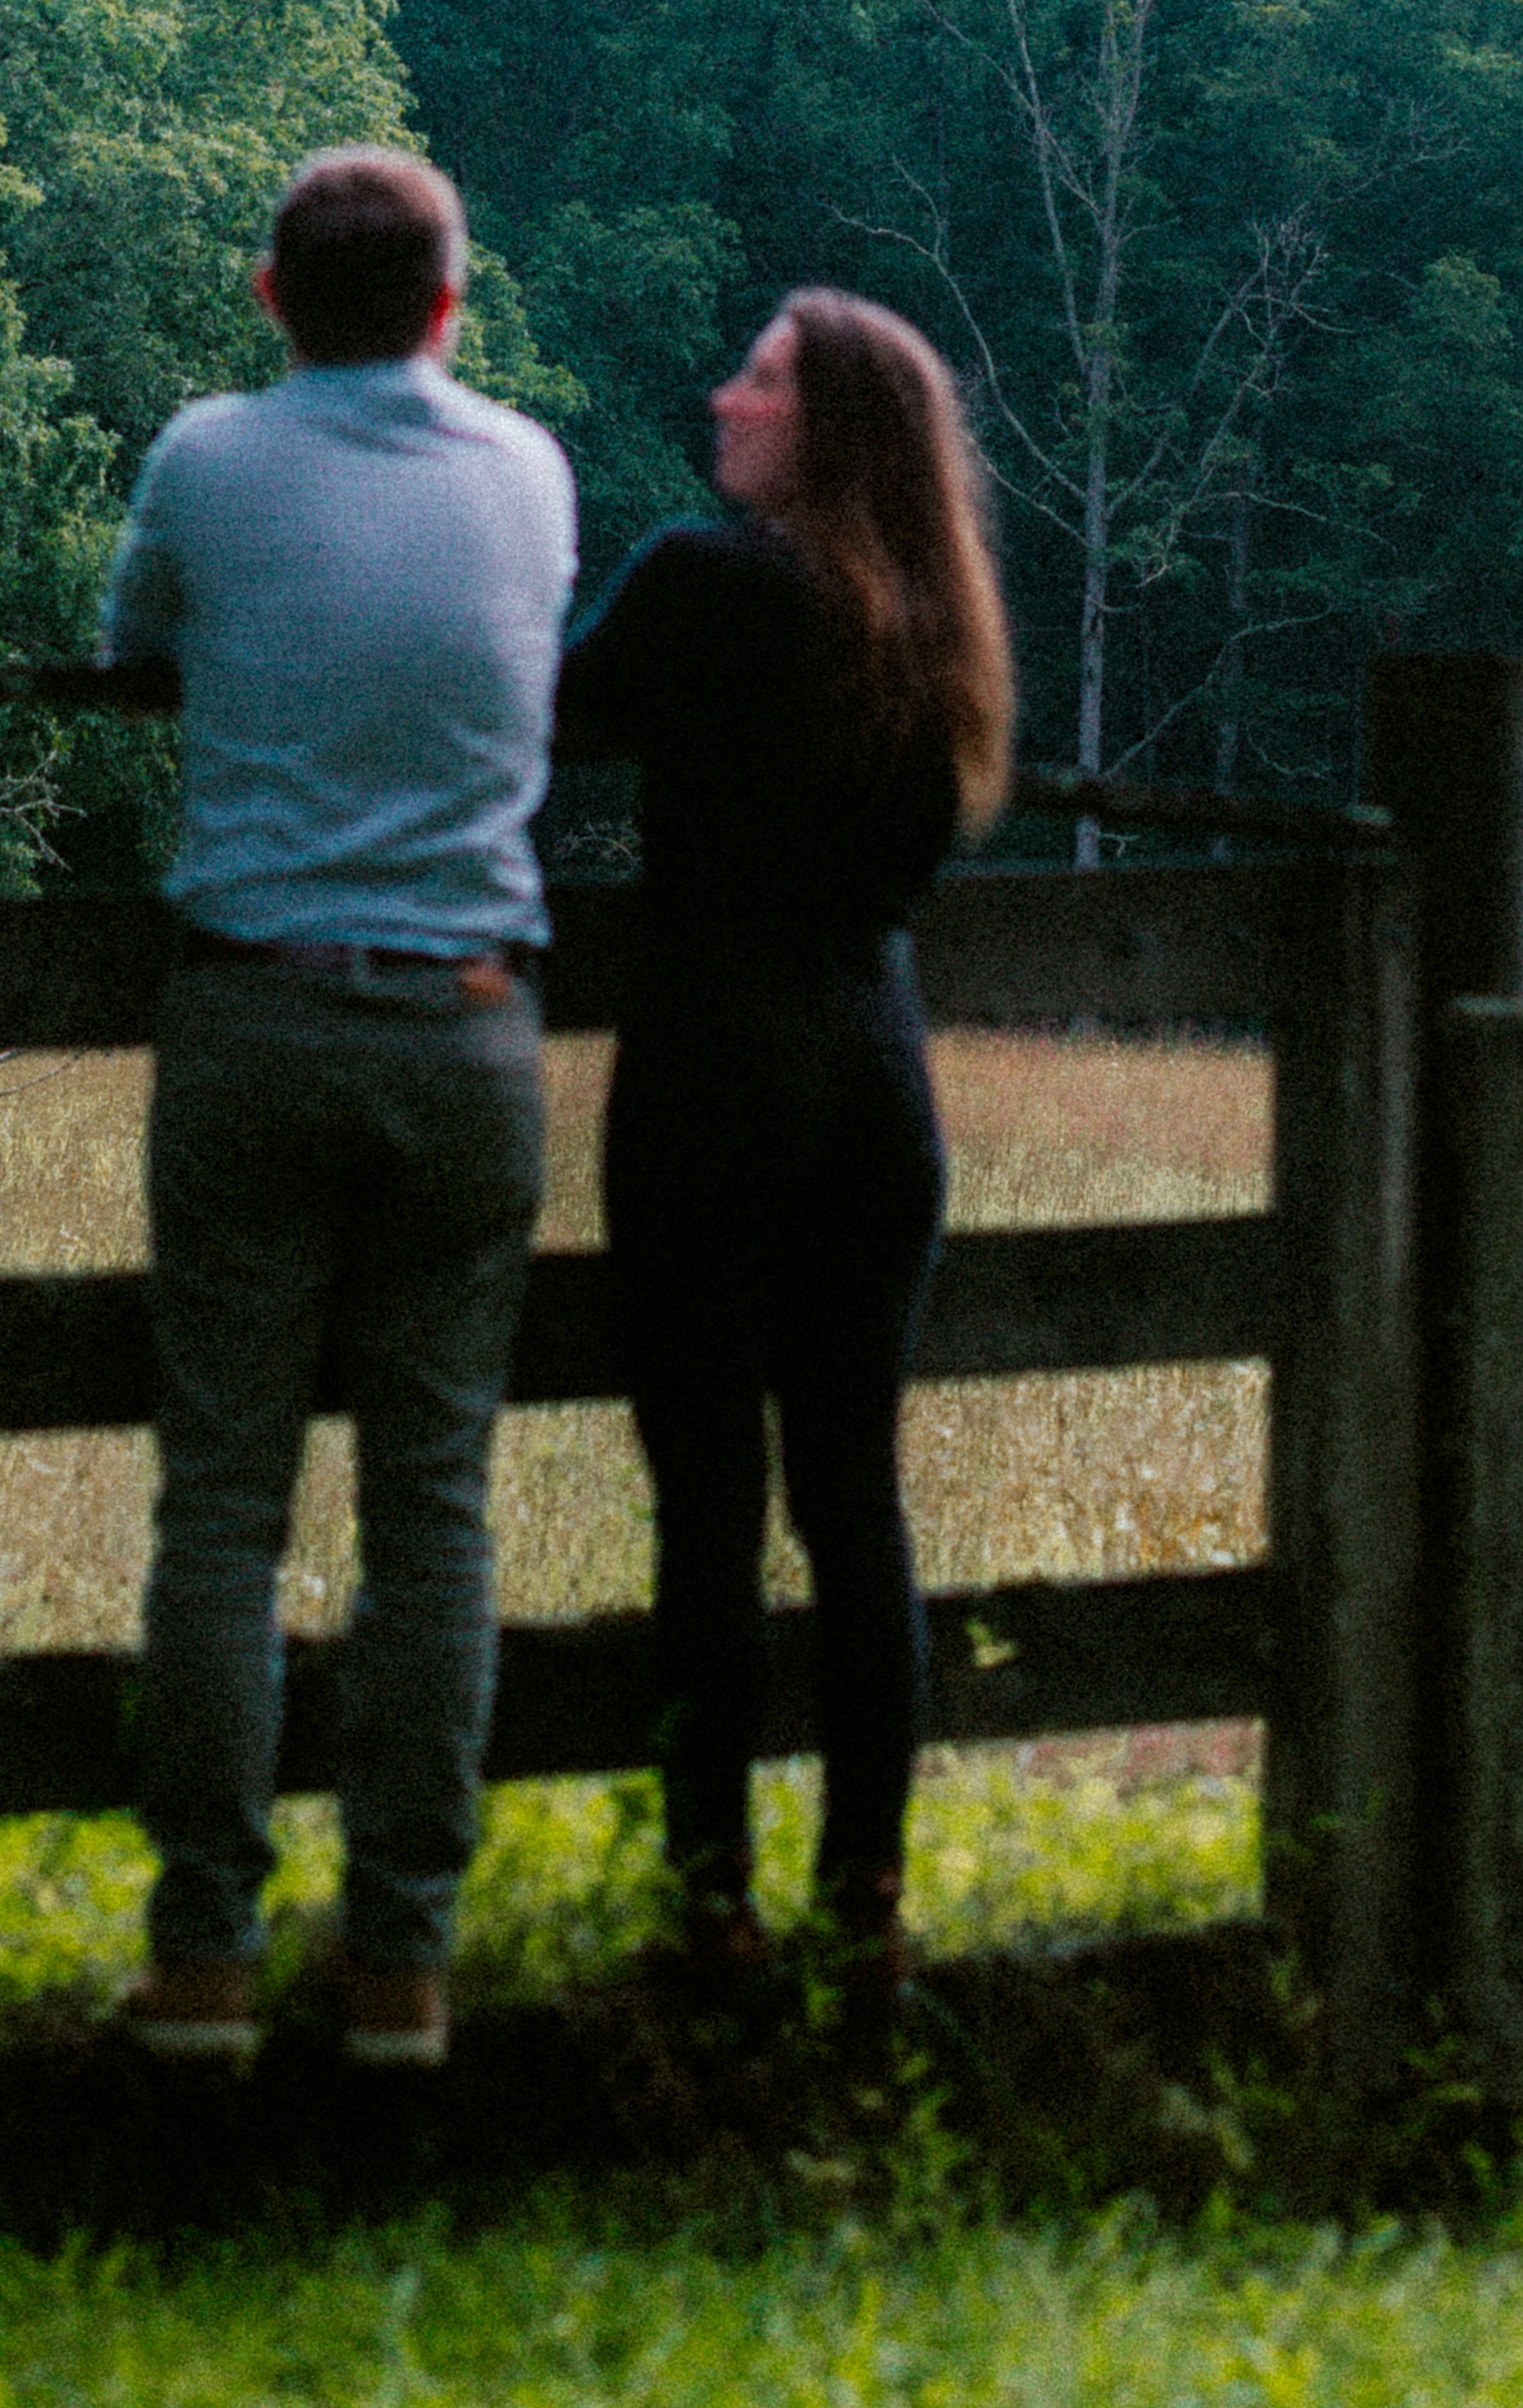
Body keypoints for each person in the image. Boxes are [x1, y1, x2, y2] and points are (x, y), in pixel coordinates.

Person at [98, 139, 577, 2077]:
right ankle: (399, 1962)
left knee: (221, 1505)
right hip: (464, 1028)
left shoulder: (207, 458)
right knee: (432, 1515)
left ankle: (202, 1958)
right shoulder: (528, 474)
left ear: (269, 294)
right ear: (449, 307)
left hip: (256, 1018)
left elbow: (132, 645)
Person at [552, 285, 1016, 1989]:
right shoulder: (931, 629)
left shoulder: (705, 582)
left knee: (707, 1503)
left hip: (717, 1073)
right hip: (875, 1081)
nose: (719, 394)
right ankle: (867, 1898)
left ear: (819, 428)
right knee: (853, 1498)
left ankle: (709, 1895)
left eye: (754, 379)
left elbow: (552, 715)